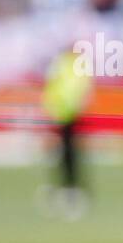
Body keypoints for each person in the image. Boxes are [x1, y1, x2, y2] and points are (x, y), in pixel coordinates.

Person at [41, 45, 94, 219]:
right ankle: (67, 187)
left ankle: (70, 188)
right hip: (64, 115)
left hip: (70, 115)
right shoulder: (69, 64)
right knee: (65, 155)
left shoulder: (68, 64)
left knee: (69, 155)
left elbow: (77, 90)